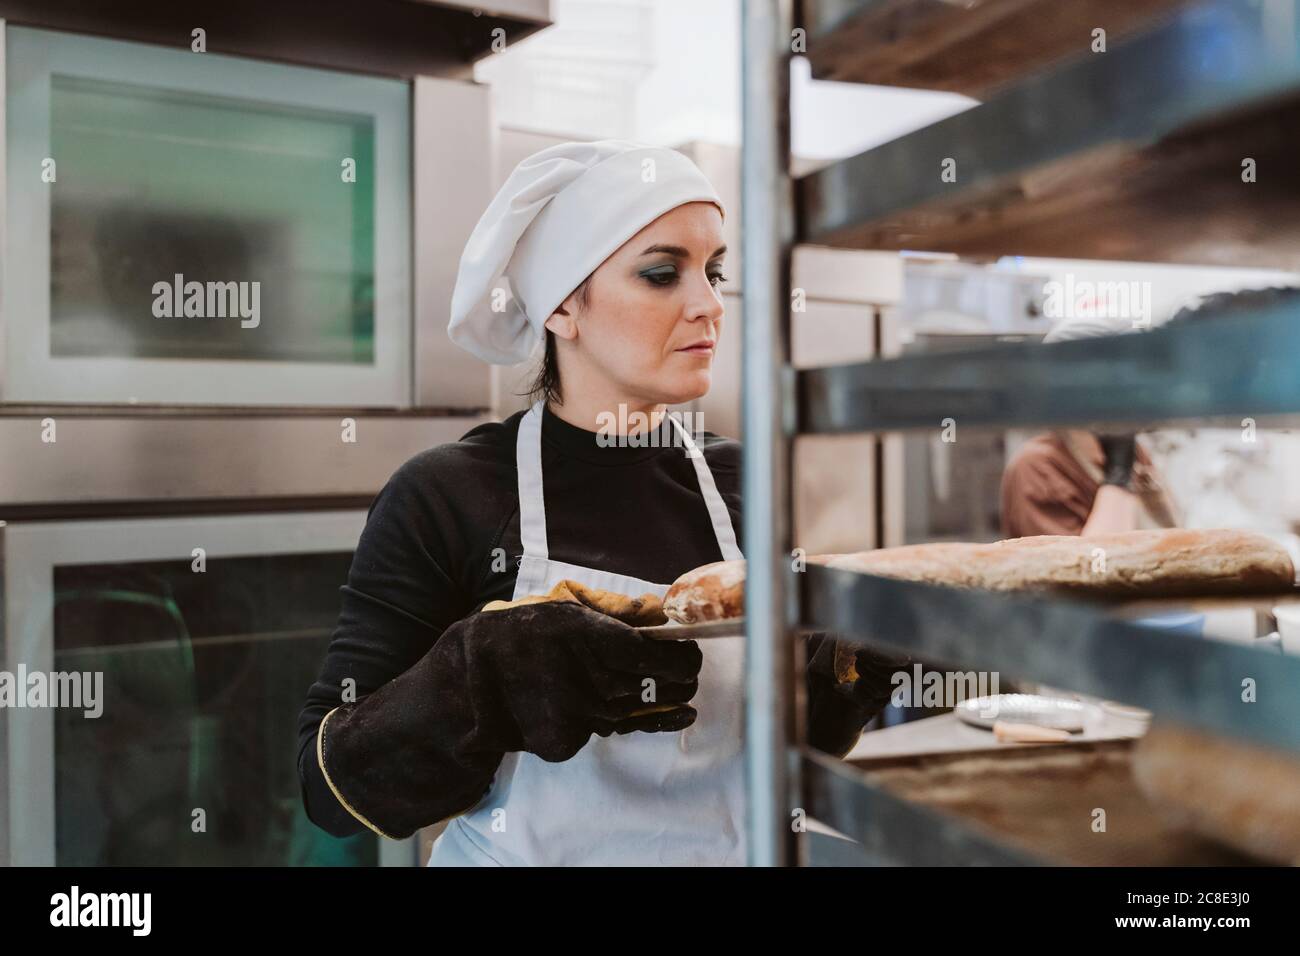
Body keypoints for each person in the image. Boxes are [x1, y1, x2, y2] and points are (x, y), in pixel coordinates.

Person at [296, 139, 906, 866]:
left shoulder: (740, 481)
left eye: (713, 273)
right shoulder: (450, 492)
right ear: (562, 308)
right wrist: (476, 677)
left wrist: (849, 675)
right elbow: (326, 790)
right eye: (661, 274)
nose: (709, 305)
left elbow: (787, 742)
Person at [999, 314, 1181, 538]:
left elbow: (1172, 536)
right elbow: (1082, 568)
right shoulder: (1036, 468)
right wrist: (1118, 474)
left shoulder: (1136, 452)